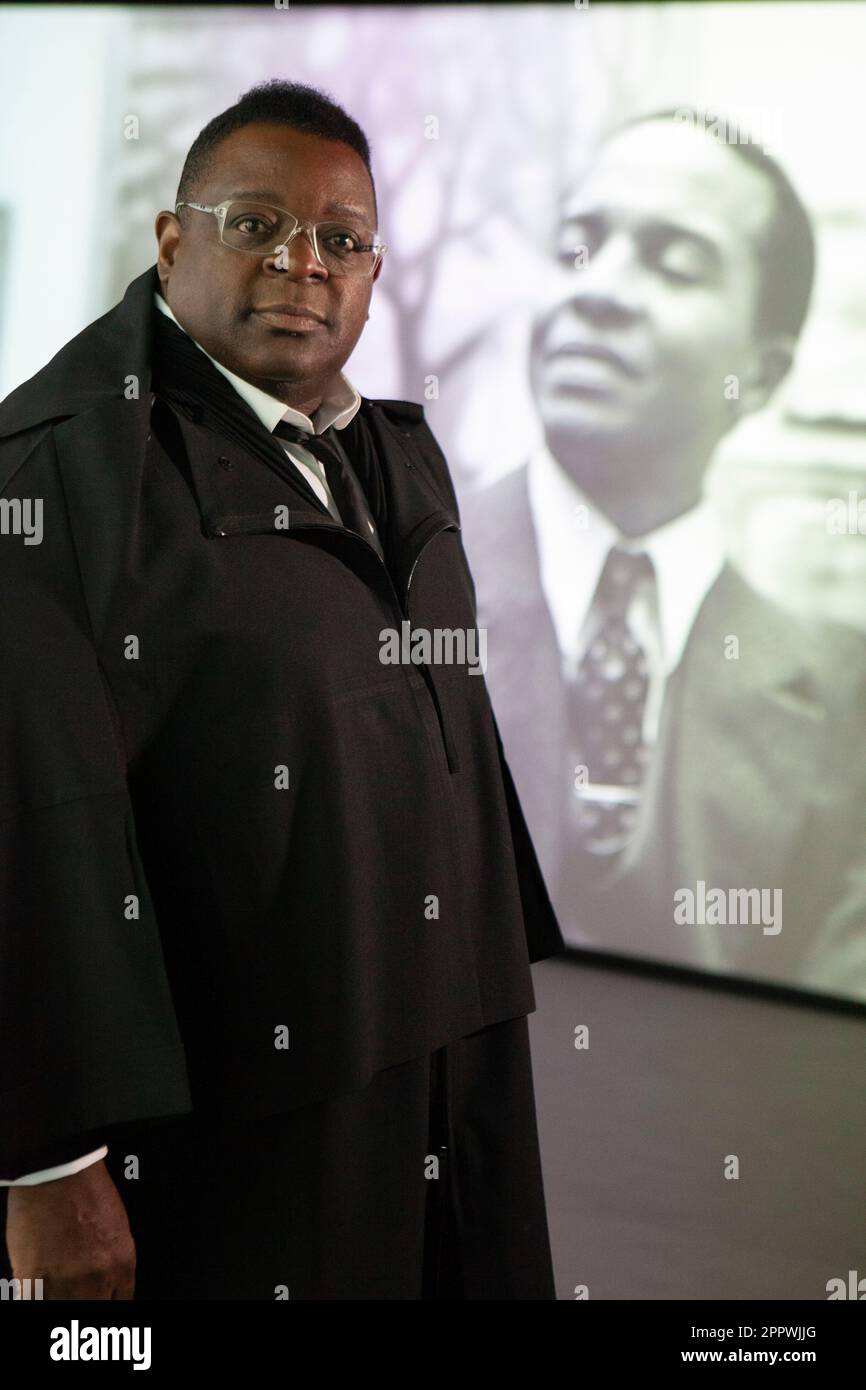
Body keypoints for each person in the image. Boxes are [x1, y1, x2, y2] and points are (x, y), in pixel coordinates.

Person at [0, 80, 564, 1300]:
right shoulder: (57, 472)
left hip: (439, 1036)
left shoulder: (396, 451)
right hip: (235, 1099)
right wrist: (52, 1160)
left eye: (341, 239)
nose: (302, 263)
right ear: (171, 240)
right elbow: (27, 825)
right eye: (254, 224)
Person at [460, 108, 866, 999]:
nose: (595, 289)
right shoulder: (381, 585)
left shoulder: (844, 701)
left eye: (675, 263)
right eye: (577, 246)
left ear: (758, 375)